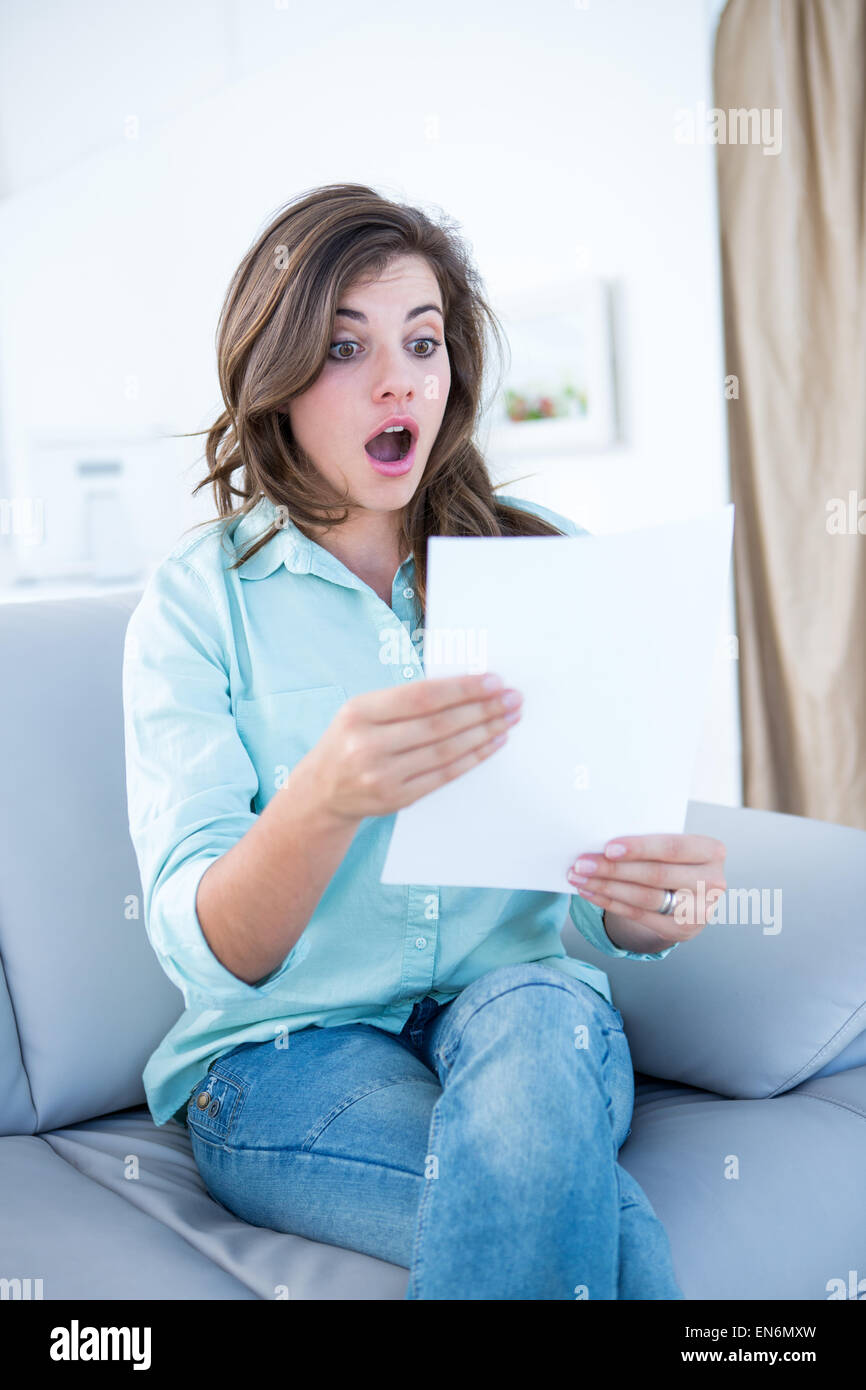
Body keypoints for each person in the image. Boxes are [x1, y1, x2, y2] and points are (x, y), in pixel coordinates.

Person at [122, 183, 726, 1300]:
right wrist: (322, 801)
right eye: (345, 347)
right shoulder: (196, 602)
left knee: (541, 1009)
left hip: (528, 1016)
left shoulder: (550, 567)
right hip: (287, 1054)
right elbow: (209, 950)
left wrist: (643, 909)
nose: (399, 378)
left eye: (423, 341)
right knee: (611, 1241)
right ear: (280, 375)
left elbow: (593, 881)